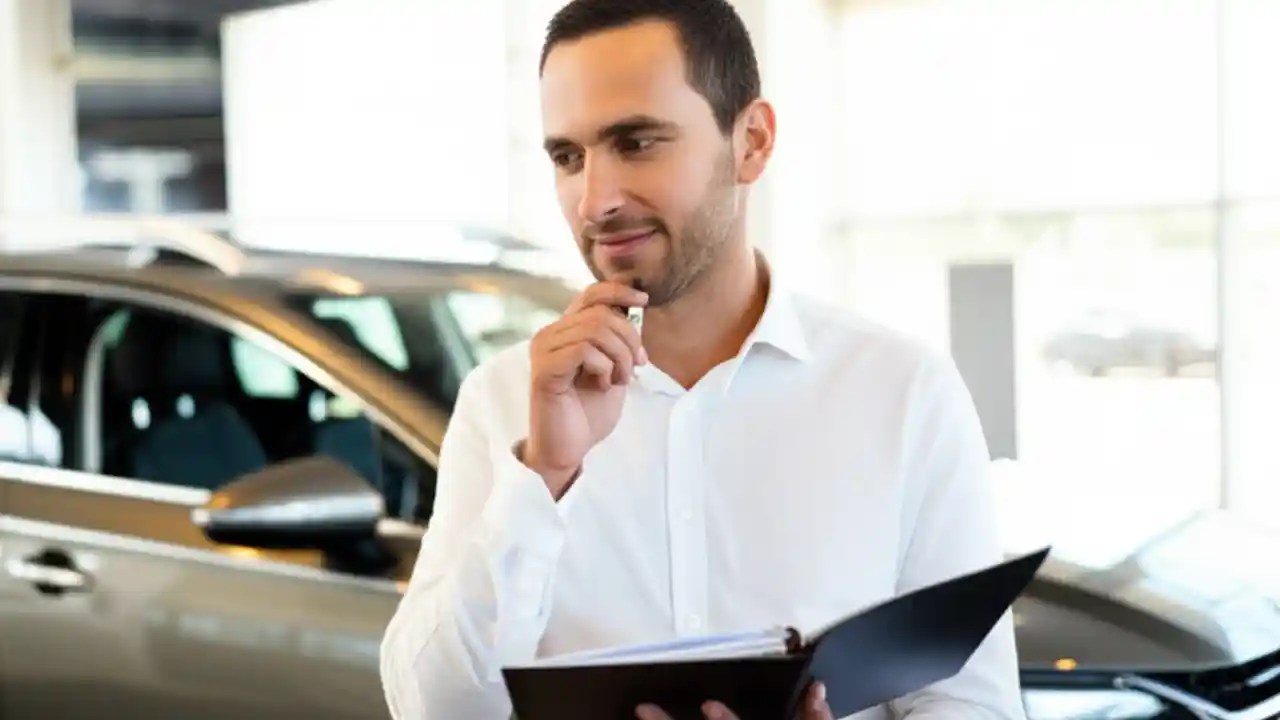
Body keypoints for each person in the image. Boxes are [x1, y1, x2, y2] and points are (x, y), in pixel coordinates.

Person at [380, 0, 1025, 718]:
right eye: (568, 157)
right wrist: (543, 475)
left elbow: (972, 703)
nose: (595, 200)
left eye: (637, 142)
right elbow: (432, 710)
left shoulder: (903, 392)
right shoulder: (503, 404)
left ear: (751, 141)